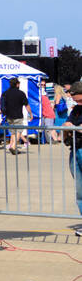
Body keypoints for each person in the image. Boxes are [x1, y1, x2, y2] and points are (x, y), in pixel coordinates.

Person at [62, 82, 82, 236]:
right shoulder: (76, 110)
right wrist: (67, 127)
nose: (77, 103)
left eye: (80, 100)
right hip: (75, 150)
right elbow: (66, 126)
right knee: (80, 190)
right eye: (76, 100)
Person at [0, 77, 30, 154]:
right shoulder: (21, 93)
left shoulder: (5, 93)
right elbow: (26, 105)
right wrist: (31, 114)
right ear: (17, 84)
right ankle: (13, 146)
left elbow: (1, 103)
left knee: (13, 132)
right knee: (19, 130)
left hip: (9, 115)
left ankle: (13, 146)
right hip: (18, 115)